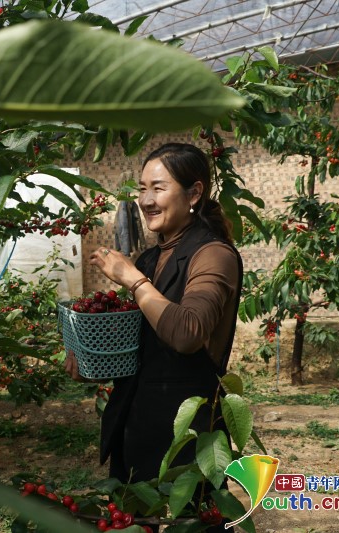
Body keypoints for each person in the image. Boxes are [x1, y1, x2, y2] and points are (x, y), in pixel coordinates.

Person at [65, 142, 243, 530]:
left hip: (186, 435)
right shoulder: (149, 258)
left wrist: (133, 280)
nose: (145, 199)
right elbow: (139, 345)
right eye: (141, 188)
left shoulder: (213, 255)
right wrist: (91, 359)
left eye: (158, 188)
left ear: (194, 193)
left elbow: (186, 333)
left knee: (191, 522)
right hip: (136, 428)